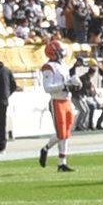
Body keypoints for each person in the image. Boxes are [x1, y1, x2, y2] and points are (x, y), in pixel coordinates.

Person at [34, 37, 76, 172]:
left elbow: (68, 82)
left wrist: (74, 84)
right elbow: (48, 87)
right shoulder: (48, 67)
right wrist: (65, 84)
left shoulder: (63, 65)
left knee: (66, 133)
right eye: (59, 50)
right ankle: (45, 148)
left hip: (67, 100)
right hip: (57, 101)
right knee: (60, 133)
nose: (62, 53)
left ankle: (62, 163)